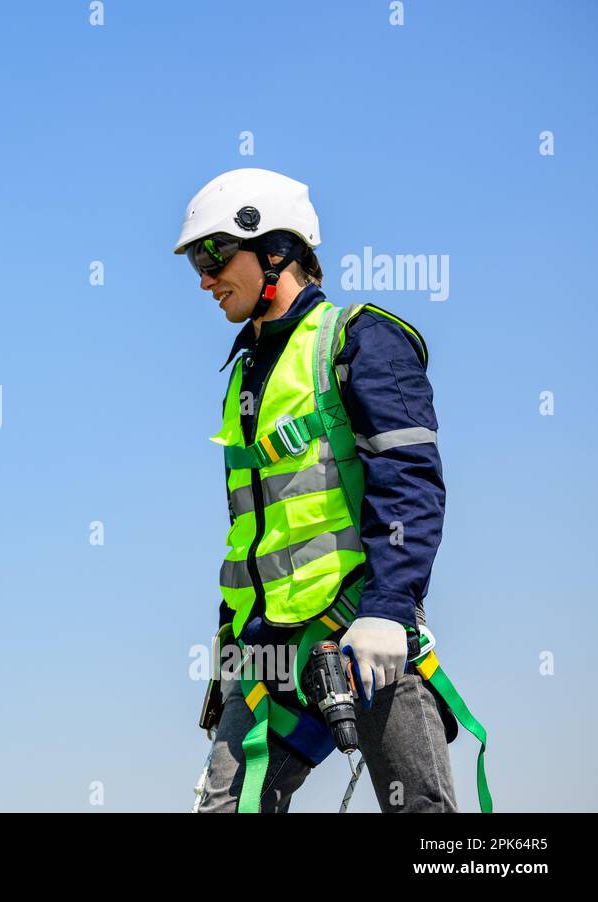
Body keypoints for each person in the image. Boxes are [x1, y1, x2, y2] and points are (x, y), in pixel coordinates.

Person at [176, 168, 488, 813]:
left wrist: (389, 609)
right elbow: (254, 534)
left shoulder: (359, 339)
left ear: (277, 250)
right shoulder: (246, 376)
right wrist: (228, 655)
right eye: (196, 262)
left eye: (213, 255)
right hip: (265, 653)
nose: (204, 278)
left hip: (360, 636)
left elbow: (410, 482)